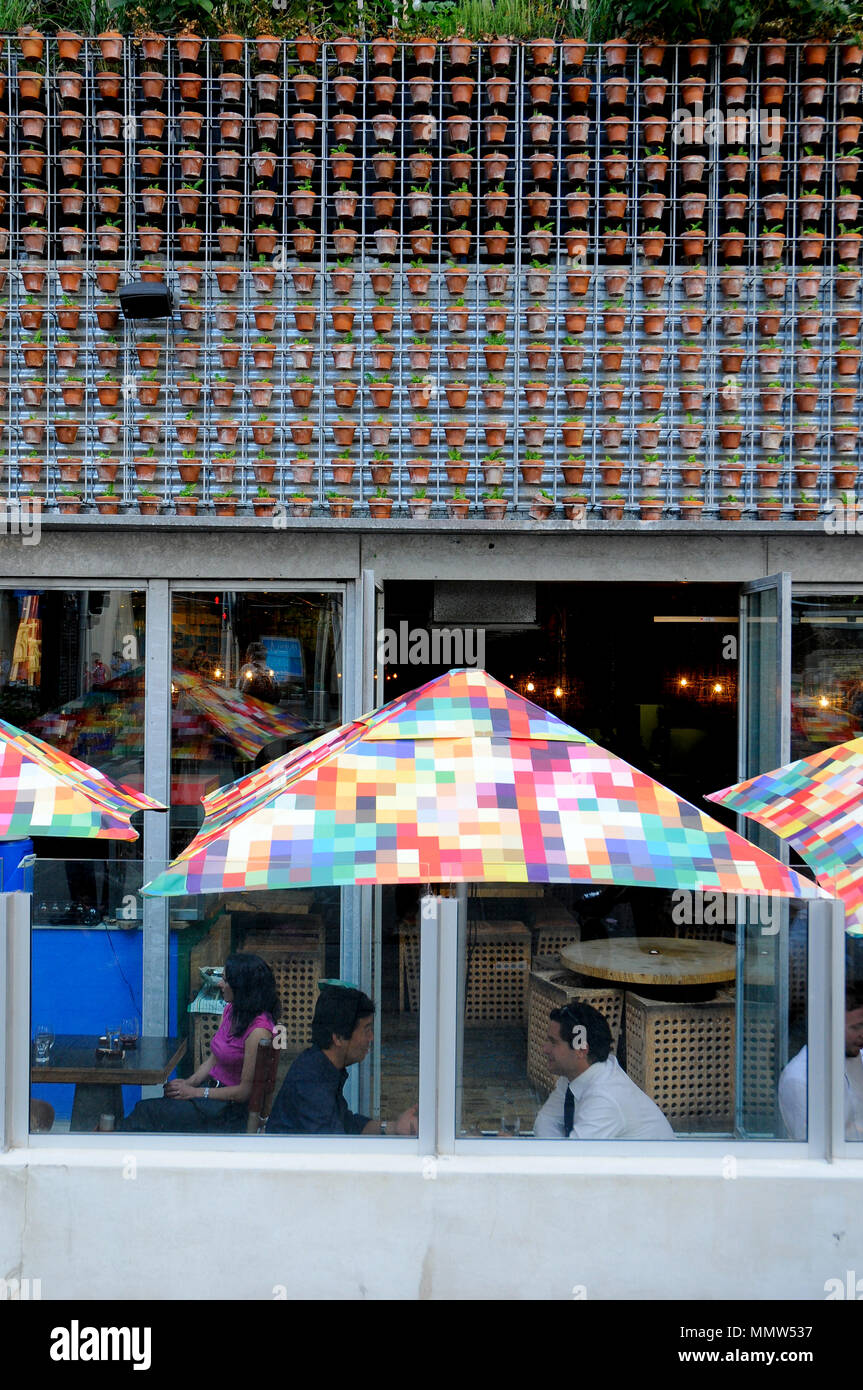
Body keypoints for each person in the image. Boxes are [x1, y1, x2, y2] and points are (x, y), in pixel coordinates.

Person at [119, 954, 278, 1133]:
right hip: (211, 1098)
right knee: (160, 1102)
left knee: (147, 1112)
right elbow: (214, 1059)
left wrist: (195, 1092)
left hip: (228, 1111)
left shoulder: (258, 1032)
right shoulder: (232, 1011)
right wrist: (189, 1083)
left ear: (242, 988)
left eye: (225, 981)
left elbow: (244, 1092)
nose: (220, 985)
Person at [266, 982, 417, 1135]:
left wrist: (394, 1127)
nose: (371, 1038)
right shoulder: (311, 1082)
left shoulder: (322, 1067)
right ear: (338, 1037)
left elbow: (349, 1125)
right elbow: (334, 1148)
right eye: (366, 1030)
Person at [533, 1002, 675, 1140]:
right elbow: (546, 1120)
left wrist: (552, 1154)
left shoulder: (604, 1097)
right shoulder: (575, 1075)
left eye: (553, 1042)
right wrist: (554, 1152)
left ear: (581, 1050)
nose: (545, 1049)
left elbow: (575, 1158)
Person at [779, 987, 863, 1140]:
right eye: (856, 1027)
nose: (862, 1034)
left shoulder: (857, 1055)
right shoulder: (800, 1080)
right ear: (829, 1027)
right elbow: (816, 1150)